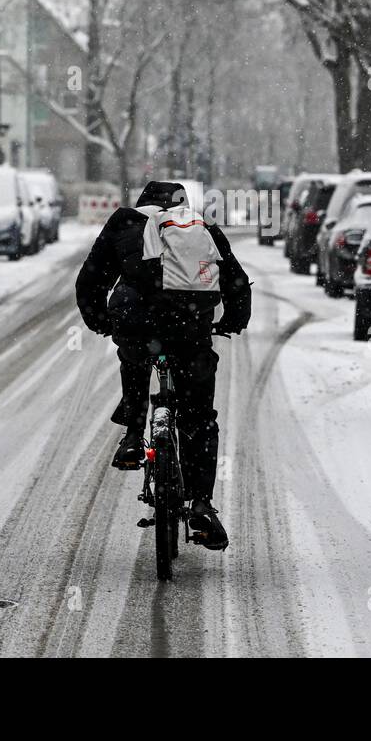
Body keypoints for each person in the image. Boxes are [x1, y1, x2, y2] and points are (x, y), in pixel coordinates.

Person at [75, 181, 251, 550]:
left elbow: (91, 278)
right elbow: (235, 280)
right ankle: (201, 503)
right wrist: (232, 320)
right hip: (190, 326)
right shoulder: (200, 226)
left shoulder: (126, 222)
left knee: (135, 355)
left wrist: (101, 322)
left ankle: (133, 439)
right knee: (200, 416)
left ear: (143, 204)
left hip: (137, 320)